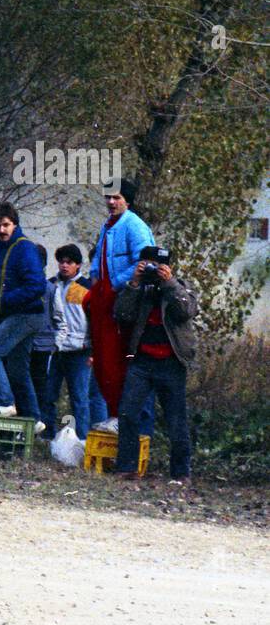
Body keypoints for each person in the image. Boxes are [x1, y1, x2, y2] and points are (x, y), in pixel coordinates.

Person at [112, 246, 199, 482]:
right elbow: (121, 313)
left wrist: (169, 283)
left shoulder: (180, 286)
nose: (152, 269)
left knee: (176, 419)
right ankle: (127, 467)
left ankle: (181, 473)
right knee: (128, 413)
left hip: (171, 362)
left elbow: (187, 311)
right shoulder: (141, 288)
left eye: (156, 265)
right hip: (142, 361)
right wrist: (134, 283)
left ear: (168, 267)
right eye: (147, 263)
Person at [84, 178, 155, 427]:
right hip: (106, 302)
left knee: (125, 363)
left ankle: (130, 425)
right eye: (108, 197)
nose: (111, 202)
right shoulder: (108, 225)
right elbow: (98, 260)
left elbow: (146, 262)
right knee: (106, 363)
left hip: (126, 303)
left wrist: (114, 285)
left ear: (128, 201)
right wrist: (96, 283)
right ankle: (115, 415)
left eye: (117, 197)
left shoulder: (134, 226)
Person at [0, 203, 46, 429]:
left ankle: (5, 403)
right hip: (19, 314)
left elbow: (37, 286)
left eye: (6, 225)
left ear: (15, 224)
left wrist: (4, 300)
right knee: (18, 370)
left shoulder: (24, 248)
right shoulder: (0, 245)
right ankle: (35, 420)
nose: (1, 230)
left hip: (26, 314)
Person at [46, 244, 95, 439]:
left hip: (79, 350)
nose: (64, 266)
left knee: (79, 399)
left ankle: (83, 440)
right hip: (55, 350)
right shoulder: (51, 285)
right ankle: (46, 435)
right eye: (61, 262)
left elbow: (96, 321)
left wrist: (94, 350)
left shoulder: (87, 287)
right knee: (48, 395)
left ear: (78, 265)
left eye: (70, 262)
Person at [30, 244, 56, 435]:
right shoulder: (25, 286)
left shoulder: (50, 289)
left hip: (44, 346)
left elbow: (56, 318)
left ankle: (44, 429)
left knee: (42, 387)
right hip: (25, 344)